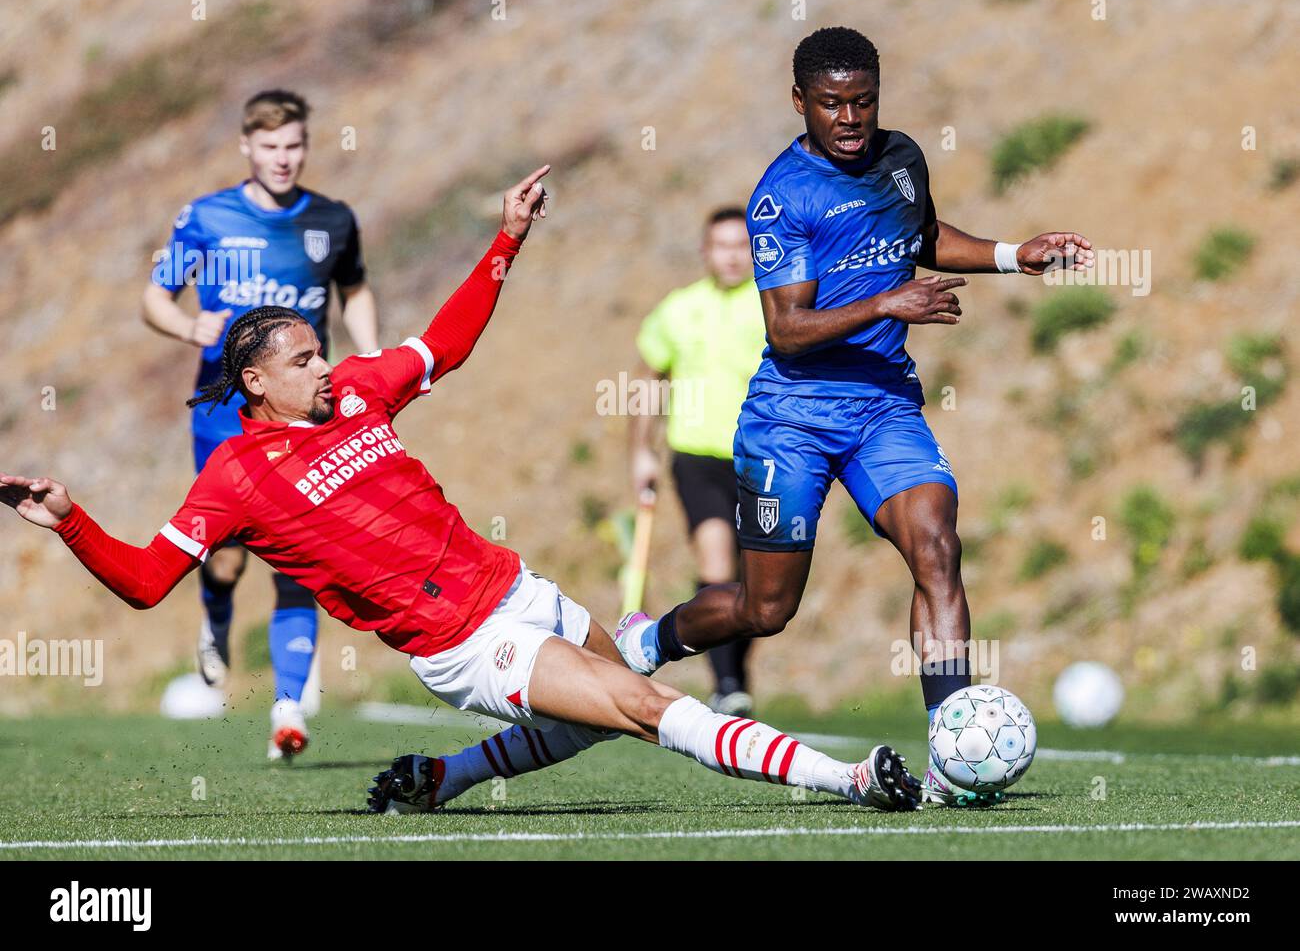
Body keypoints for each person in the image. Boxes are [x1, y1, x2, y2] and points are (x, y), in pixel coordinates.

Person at [2, 167, 921, 815]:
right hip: (462, 642)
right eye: (303, 359)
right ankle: (846, 780)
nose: (327, 366)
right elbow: (144, 581)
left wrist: (506, 241)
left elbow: (447, 342)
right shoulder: (234, 478)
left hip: (514, 586)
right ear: (255, 384)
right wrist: (70, 520)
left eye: (320, 351)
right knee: (645, 712)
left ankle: (447, 779)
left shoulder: (358, 387)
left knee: (621, 688)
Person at [615, 27, 1095, 806]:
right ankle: (653, 638)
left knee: (937, 542)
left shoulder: (901, 158)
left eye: (863, 101)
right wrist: (885, 300)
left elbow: (925, 235)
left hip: (882, 405)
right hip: (791, 419)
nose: (850, 118)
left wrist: (1015, 253)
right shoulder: (782, 197)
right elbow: (786, 329)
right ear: (799, 100)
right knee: (764, 609)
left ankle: (950, 760)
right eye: (833, 103)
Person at [140, 89, 379, 758]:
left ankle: (288, 712)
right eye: (270, 147)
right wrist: (191, 325)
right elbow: (154, 297)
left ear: (306, 146)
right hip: (223, 413)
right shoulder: (207, 217)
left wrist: (367, 350)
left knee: (300, 558)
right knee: (226, 553)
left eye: (294, 146)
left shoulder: (332, 218)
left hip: (304, 413)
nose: (283, 158)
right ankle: (215, 623)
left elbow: (355, 286)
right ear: (247, 147)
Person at [629, 206, 767, 715]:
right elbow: (647, 380)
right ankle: (728, 683)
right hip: (695, 457)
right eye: (722, 246)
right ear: (706, 252)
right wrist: (642, 451)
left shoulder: (773, 305)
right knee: (716, 562)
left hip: (761, 459)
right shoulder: (679, 310)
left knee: (761, 585)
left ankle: (730, 660)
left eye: (741, 245)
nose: (732, 256)